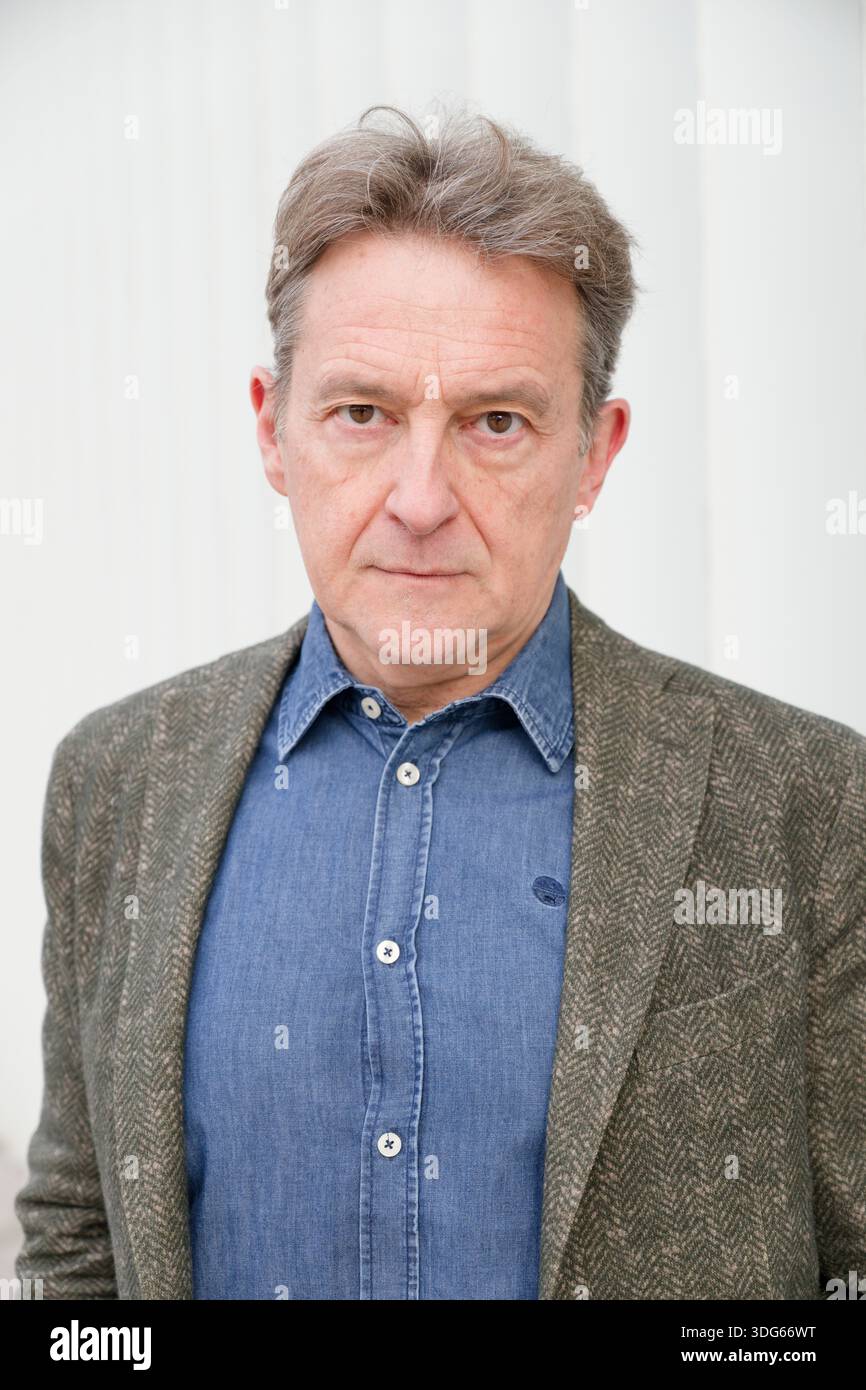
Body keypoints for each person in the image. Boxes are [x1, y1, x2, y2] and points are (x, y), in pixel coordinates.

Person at [15, 105, 866, 1300]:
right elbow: (79, 1233)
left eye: (495, 422)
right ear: (271, 427)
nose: (420, 497)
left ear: (594, 454)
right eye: (361, 413)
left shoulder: (811, 804)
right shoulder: (116, 779)